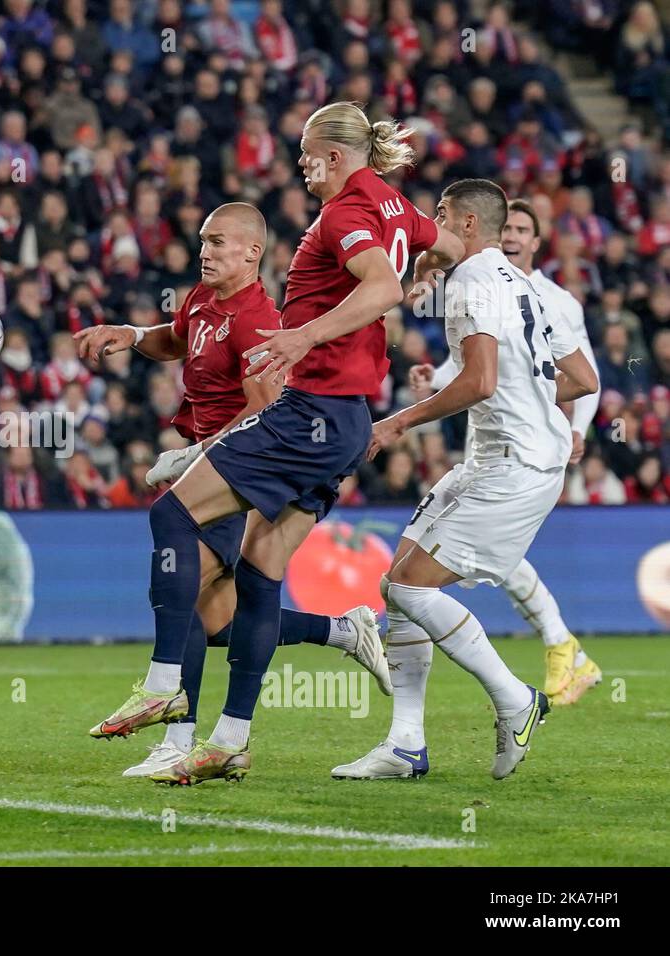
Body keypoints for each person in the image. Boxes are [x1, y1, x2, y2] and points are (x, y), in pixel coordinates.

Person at [89, 102, 465, 786]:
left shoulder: (346, 213)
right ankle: (230, 737)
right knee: (258, 574)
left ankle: (166, 690)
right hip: (343, 419)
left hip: (310, 410)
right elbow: (451, 248)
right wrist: (428, 276)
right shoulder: (392, 206)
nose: (299, 165)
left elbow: (378, 286)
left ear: (332, 154)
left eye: (305, 154)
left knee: (172, 517)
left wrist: (305, 335)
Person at [75, 202, 389, 778]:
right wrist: (131, 334)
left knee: (185, 592)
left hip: (235, 468)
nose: (205, 252)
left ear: (252, 252)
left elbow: (265, 407)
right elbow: (175, 339)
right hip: (219, 462)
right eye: (202, 242)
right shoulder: (200, 301)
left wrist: (199, 455)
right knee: (217, 619)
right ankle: (338, 631)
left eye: (218, 243)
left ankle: (176, 734)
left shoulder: (254, 318)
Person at [333, 179, 598, 781]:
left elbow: (478, 382)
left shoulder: (474, 282)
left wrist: (398, 423)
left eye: (441, 215)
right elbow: (581, 377)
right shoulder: (523, 283)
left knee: (409, 590)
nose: (432, 222)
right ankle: (404, 745)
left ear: (468, 223)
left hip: (515, 466)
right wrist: (529, 399)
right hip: (492, 458)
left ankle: (516, 699)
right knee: (396, 585)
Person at [410, 199, 602, 705]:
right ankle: (561, 647)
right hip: (491, 442)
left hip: (521, 446)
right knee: (425, 573)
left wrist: (578, 427)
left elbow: (582, 381)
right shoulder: (503, 286)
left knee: (421, 580)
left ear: (535, 241)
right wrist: (437, 379)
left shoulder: (553, 298)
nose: (514, 235)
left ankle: (552, 656)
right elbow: (493, 368)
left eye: (523, 228)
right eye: (510, 226)